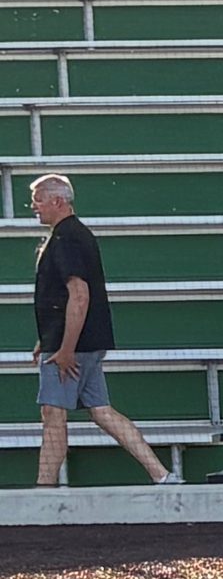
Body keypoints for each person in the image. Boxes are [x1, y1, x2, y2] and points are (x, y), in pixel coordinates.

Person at [27, 173, 171, 487]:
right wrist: (48, 338)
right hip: (84, 341)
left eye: (38, 200)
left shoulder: (66, 239)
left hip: (72, 346)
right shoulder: (75, 235)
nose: (33, 207)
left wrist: (64, 349)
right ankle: (161, 474)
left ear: (57, 201)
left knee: (53, 417)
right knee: (101, 411)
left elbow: (79, 295)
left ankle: (43, 490)